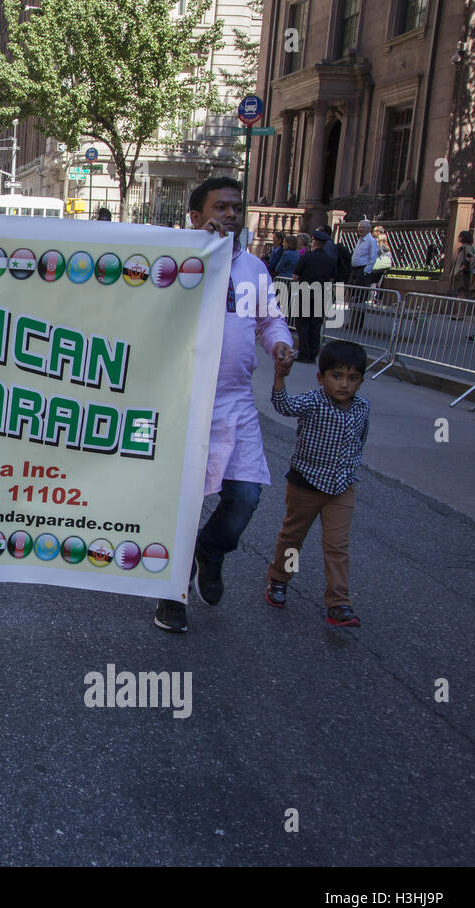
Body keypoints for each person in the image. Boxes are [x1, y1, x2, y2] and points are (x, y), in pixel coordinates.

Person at [153, 177, 295, 634]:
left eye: (238, 208)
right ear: (196, 216)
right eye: (222, 207)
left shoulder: (255, 269)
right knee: (183, 505)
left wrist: (279, 345)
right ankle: (171, 595)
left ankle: (210, 552)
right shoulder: (172, 261)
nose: (232, 215)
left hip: (235, 403)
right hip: (182, 404)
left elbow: (270, 318)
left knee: (245, 497)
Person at [263, 340, 370, 627]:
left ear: (361, 380)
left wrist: (349, 469)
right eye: (337, 376)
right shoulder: (313, 401)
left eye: (352, 378)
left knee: (337, 545)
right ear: (321, 378)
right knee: (293, 537)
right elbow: (283, 405)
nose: (344, 384)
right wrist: (280, 376)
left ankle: (339, 603)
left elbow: (360, 440)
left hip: (341, 487)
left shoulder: (362, 408)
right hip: (306, 484)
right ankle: (279, 579)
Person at [290, 228, 337, 362]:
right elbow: (332, 279)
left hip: (305, 293)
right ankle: (313, 354)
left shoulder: (306, 257)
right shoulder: (330, 260)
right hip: (321, 295)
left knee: (303, 325)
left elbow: (295, 276)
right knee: (315, 326)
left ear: (314, 242)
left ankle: (304, 353)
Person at [348, 219, 378, 288]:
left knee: (359, 292)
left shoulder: (371, 241)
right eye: (359, 227)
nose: (360, 229)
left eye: (363, 228)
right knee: (351, 290)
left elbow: (373, 257)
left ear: (369, 229)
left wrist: (366, 271)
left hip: (362, 270)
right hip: (354, 270)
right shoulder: (360, 239)